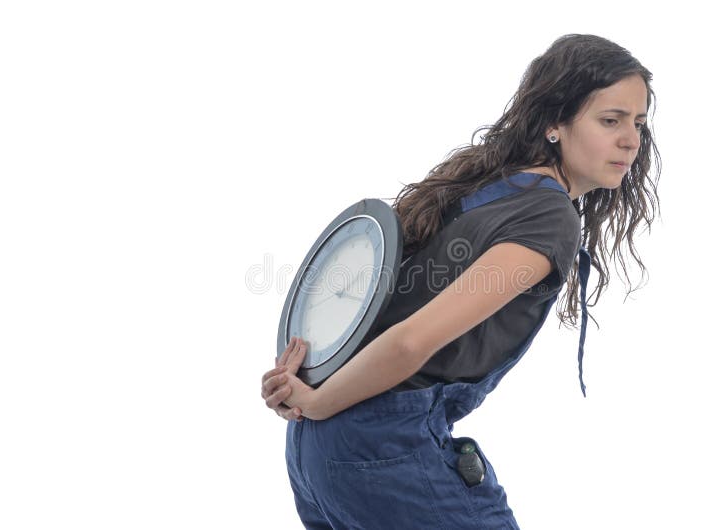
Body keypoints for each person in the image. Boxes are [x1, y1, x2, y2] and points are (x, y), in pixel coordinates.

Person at [262, 33, 661, 529]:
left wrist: (302, 391)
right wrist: (316, 401)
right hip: (380, 447)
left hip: (317, 452)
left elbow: (364, 309)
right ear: (556, 122)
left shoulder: (488, 184)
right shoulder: (549, 217)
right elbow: (411, 342)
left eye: (638, 123)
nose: (630, 139)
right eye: (610, 120)